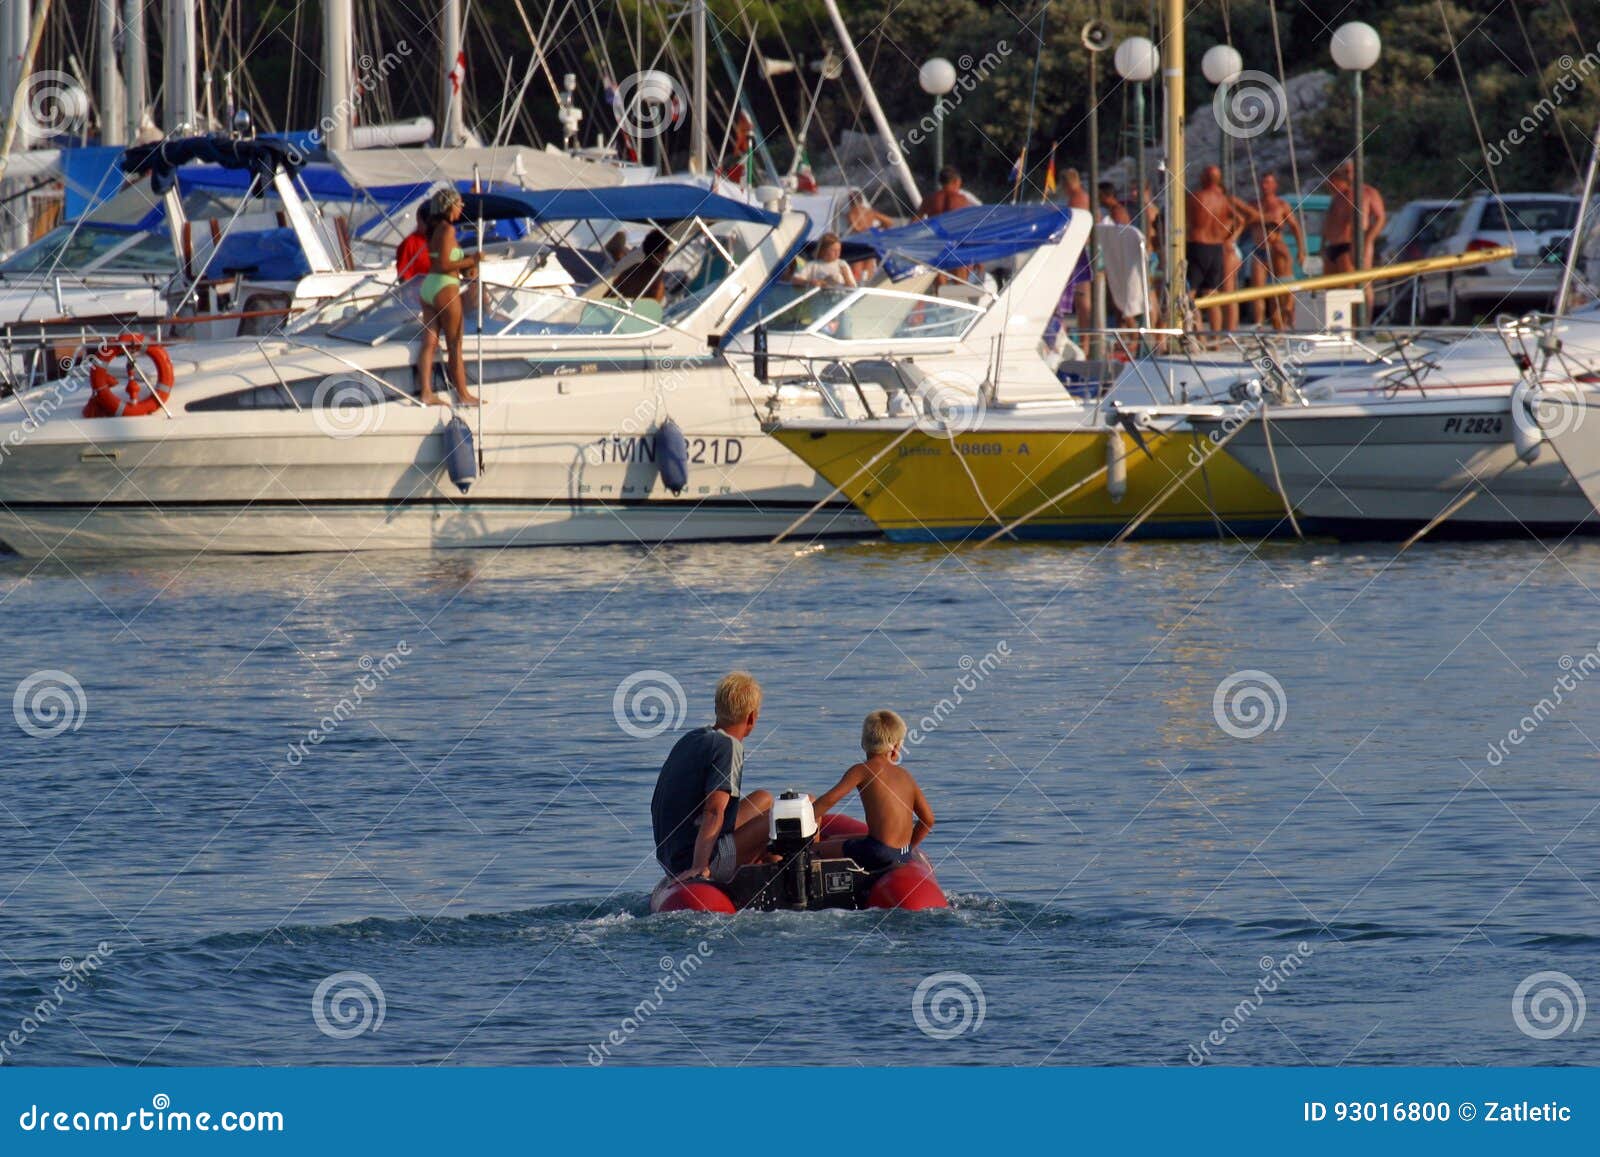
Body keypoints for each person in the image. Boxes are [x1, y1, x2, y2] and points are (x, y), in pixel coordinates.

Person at [650, 673, 775, 882]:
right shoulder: (729, 746)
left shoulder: (693, 738)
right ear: (752, 717)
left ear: (717, 709)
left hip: (671, 854)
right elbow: (714, 810)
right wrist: (699, 866)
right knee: (782, 818)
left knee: (764, 798)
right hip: (695, 859)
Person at [810, 710, 935, 874]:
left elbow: (828, 801)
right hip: (902, 854)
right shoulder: (905, 775)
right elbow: (928, 820)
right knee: (834, 839)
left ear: (863, 743)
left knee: (814, 850)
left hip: (877, 852)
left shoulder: (862, 770)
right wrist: (908, 847)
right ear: (896, 746)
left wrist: (802, 819)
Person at [415, 188, 481, 406]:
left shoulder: (433, 229)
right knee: (455, 345)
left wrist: (466, 266)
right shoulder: (448, 230)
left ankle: (426, 392)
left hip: (429, 287)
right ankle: (463, 394)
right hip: (445, 287)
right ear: (449, 206)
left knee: (430, 342)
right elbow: (444, 264)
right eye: (459, 204)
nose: (461, 208)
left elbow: (441, 260)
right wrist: (472, 260)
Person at [1186, 165, 1242, 332]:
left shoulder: (1196, 197)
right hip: (1216, 248)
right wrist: (1230, 239)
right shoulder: (1223, 200)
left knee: (1190, 293)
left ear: (1204, 178)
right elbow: (1239, 220)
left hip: (1198, 245)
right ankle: (1216, 338)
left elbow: (1186, 223)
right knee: (1212, 295)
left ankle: (1194, 334)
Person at [1247, 173, 1306, 330]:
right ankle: (1259, 325)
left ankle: (1284, 324)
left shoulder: (1281, 205)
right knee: (1258, 291)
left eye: (1268, 182)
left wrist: (1301, 250)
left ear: (1275, 185)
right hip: (1259, 249)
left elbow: (1295, 227)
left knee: (1282, 290)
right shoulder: (1253, 205)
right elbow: (1242, 221)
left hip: (1277, 249)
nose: (1264, 186)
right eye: (1262, 182)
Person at [1321, 161, 1386, 276]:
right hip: (1333, 245)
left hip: (1353, 244)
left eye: (1351, 171)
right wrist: (1322, 245)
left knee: (1357, 284)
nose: (1349, 175)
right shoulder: (1339, 196)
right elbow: (1329, 221)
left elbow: (1380, 218)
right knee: (1331, 288)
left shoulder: (1369, 192)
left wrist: (1368, 240)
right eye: (1345, 172)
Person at [611, 227, 672, 302]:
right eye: (665, 251)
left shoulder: (634, 267)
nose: (666, 253)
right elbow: (654, 302)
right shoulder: (653, 271)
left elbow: (614, 290)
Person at [791, 232, 857, 289]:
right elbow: (795, 280)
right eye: (833, 250)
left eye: (839, 250)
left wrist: (846, 276)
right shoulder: (812, 265)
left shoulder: (842, 264)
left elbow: (853, 288)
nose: (837, 253)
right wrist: (811, 282)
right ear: (823, 250)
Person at [395, 204, 431, 279]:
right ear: (419, 220)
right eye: (427, 221)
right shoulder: (409, 243)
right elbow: (403, 276)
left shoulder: (440, 240)